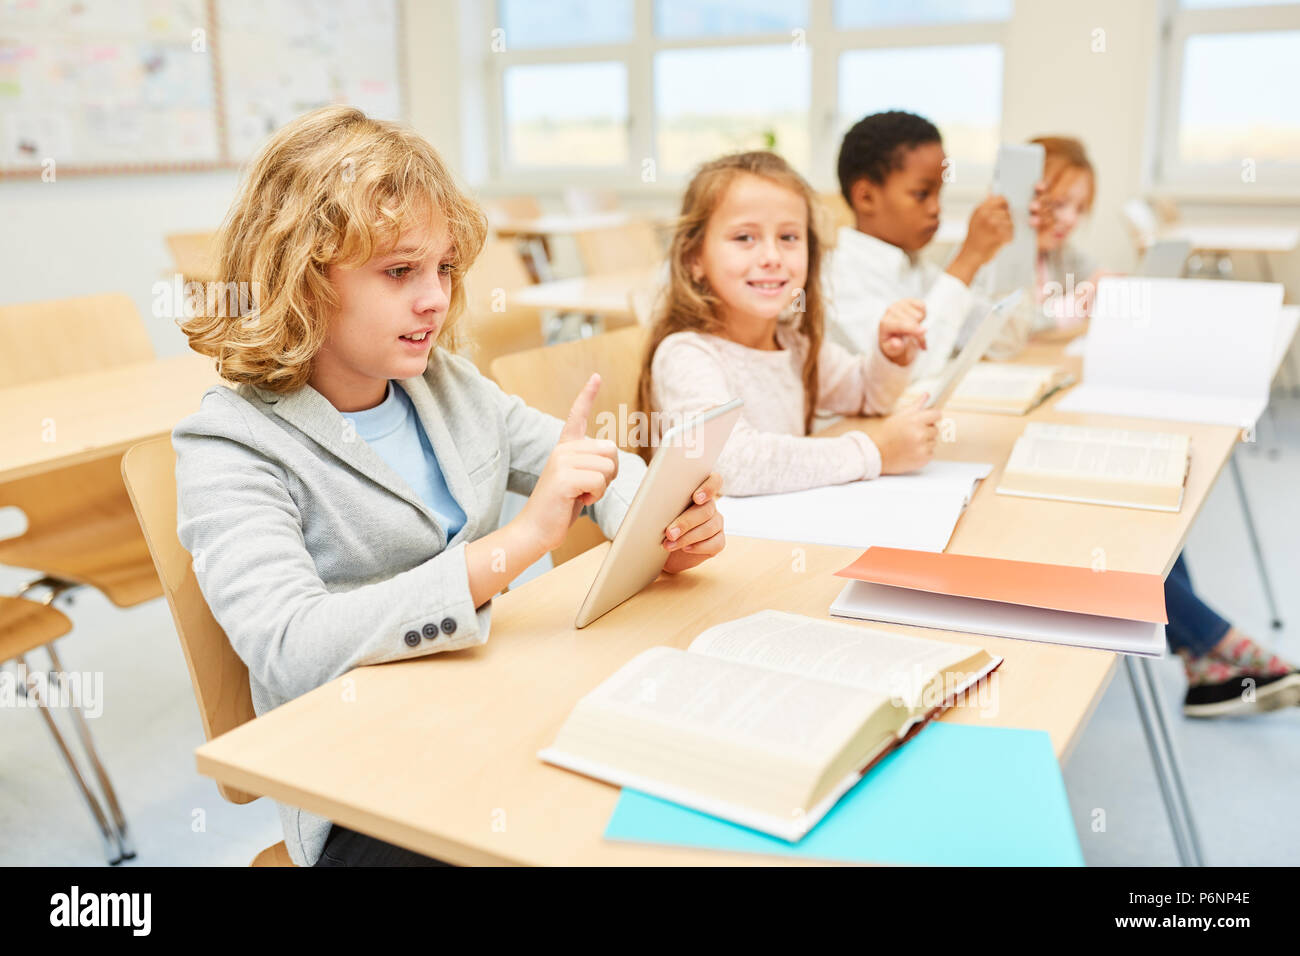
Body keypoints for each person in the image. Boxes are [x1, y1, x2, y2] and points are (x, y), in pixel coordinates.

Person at [172, 106, 727, 866]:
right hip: (362, 785)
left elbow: (597, 466)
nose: (434, 298)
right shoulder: (231, 446)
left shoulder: (448, 386)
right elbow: (292, 647)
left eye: (442, 269)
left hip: (487, 712)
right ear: (300, 279)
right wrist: (518, 543)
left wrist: (658, 529)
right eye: (399, 272)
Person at [1002, 134, 1300, 717]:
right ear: (1024, 197)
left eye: (1078, 208)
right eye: (1055, 204)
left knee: (1152, 491)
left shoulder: (1064, 256)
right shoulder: (1002, 255)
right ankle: (1220, 646)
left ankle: (1202, 663)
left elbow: (1085, 303)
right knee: (1120, 527)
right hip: (1019, 434)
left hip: (1063, 410)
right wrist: (1083, 302)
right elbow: (1015, 331)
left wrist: (1114, 294)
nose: (1066, 220)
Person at [639, 150, 937, 498]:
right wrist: (875, 451)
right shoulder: (686, 355)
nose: (771, 257)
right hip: (725, 548)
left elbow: (866, 394)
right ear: (694, 258)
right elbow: (729, 463)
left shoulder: (793, 344)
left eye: (789, 237)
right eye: (744, 238)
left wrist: (890, 356)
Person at [825, 110, 1032, 379]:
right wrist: (968, 260)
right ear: (866, 197)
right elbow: (909, 368)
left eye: (939, 194)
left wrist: (1012, 242)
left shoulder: (918, 269)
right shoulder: (836, 274)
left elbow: (1005, 342)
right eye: (921, 194)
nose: (936, 208)